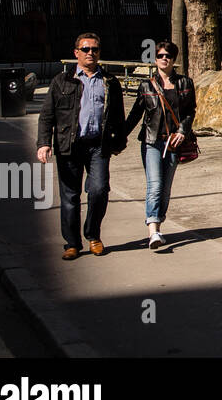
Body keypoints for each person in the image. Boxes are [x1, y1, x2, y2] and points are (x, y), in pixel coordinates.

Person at [36, 32, 128, 260]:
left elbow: (118, 116)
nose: (90, 53)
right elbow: (47, 115)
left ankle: (93, 234)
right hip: (69, 145)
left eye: (94, 49)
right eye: (85, 49)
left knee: (99, 190)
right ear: (76, 53)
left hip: (98, 146)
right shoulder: (62, 81)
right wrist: (44, 143)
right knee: (70, 196)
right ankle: (72, 243)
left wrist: (119, 142)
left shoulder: (109, 82)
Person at [125, 41, 195, 250]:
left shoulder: (185, 83)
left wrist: (183, 131)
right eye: (161, 55)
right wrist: (118, 137)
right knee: (155, 185)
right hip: (151, 141)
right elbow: (136, 114)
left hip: (173, 142)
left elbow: (190, 111)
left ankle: (158, 220)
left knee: (165, 189)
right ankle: (153, 230)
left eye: (169, 56)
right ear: (155, 59)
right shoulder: (146, 85)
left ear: (174, 60)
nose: (165, 59)